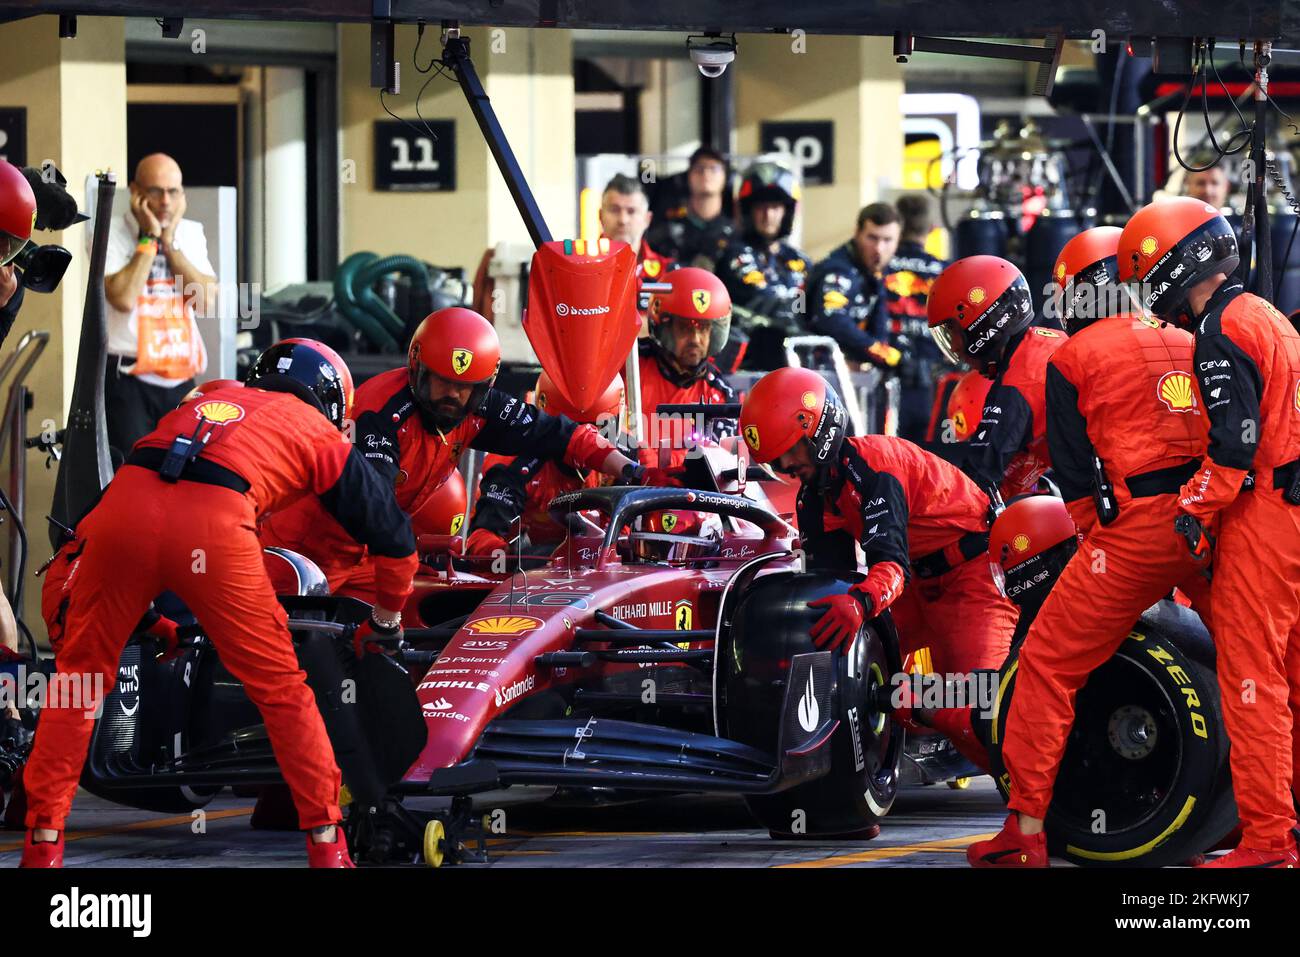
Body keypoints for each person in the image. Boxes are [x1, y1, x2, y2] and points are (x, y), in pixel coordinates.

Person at [21, 339, 417, 868]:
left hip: (123, 506)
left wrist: (147, 619)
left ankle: (41, 846)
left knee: (77, 681)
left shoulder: (203, 399)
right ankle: (328, 848)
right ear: (334, 405)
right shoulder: (315, 429)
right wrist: (386, 620)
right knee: (281, 690)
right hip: (214, 523)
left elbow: (139, 515)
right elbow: (393, 534)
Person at [1119, 197, 1300, 867]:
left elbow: (1234, 444)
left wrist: (1192, 507)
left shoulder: (1221, 329)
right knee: (1292, 680)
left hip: (1262, 524)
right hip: (1294, 513)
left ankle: (1269, 841)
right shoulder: (1266, 314)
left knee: (1253, 686)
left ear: (1171, 264)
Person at [260, 308, 664, 600]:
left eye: (466, 386)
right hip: (300, 556)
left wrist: (625, 467)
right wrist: (419, 549)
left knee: (448, 610)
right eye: (441, 382)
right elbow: (373, 506)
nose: (452, 395)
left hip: (365, 558)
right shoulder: (379, 414)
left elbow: (553, 432)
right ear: (417, 368)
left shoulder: (476, 408)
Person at [739, 366, 1017, 765]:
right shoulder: (813, 497)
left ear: (816, 430)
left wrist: (860, 602)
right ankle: (868, 757)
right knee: (843, 651)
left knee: (981, 712)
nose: (783, 465)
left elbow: (891, 570)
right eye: (774, 461)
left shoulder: (876, 467)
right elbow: (831, 587)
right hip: (917, 582)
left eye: (789, 450)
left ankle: (1039, 806)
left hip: (972, 577)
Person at [102, 153, 219, 459]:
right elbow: (123, 298)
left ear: (183, 195)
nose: (166, 201)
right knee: (132, 471)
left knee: (183, 470)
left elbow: (205, 300)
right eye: (156, 191)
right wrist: (149, 239)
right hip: (127, 377)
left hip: (180, 377)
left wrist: (169, 243)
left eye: (173, 191)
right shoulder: (109, 232)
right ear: (136, 192)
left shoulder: (190, 233)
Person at [928, 255, 1068, 501]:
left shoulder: (1019, 380)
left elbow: (980, 478)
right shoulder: (1047, 340)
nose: (953, 346)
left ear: (977, 323)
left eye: (951, 331)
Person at [467, 372, 625, 556]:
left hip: (598, 569)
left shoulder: (625, 457)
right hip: (530, 573)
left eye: (598, 429)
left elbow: (626, 534)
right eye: (571, 427)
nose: (588, 441)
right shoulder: (515, 465)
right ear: (549, 424)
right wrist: (507, 553)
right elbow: (480, 539)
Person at [713, 161, 809, 370]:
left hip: (796, 363)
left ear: (787, 211)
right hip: (747, 368)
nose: (768, 216)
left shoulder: (798, 259)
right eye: (761, 207)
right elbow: (767, 299)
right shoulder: (733, 254)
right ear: (749, 211)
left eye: (775, 207)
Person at [637, 268, 736, 470]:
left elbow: (719, 460)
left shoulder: (719, 394)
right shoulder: (629, 365)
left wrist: (663, 461)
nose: (695, 339)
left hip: (686, 497)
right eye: (685, 328)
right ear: (664, 326)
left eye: (704, 328)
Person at [806, 203, 907, 378]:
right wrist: (887, 356)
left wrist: (891, 357)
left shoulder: (874, 271)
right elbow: (833, 320)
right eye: (872, 238)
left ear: (898, 241)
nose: (878, 248)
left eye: (887, 240)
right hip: (817, 372)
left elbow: (879, 323)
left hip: (845, 374)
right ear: (857, 233)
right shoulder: (838, 270)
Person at [885, 194, 950, 441]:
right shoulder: (945, 271)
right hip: (933, 384)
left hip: (886, 377)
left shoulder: (881, 265)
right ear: (931, 228)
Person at [644, 147, 735, 269]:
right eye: (699, 169)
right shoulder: (668, 229)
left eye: (714, 168)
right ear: (689, 176)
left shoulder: (733, 231)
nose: (706, 174)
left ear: (725, 177)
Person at [598, 173, 674, 282]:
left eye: (631, 211)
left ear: (647, 219)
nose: (623, 220)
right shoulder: (579, 268)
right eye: (614, 210)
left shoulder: (667, 272)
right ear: (600, 216)